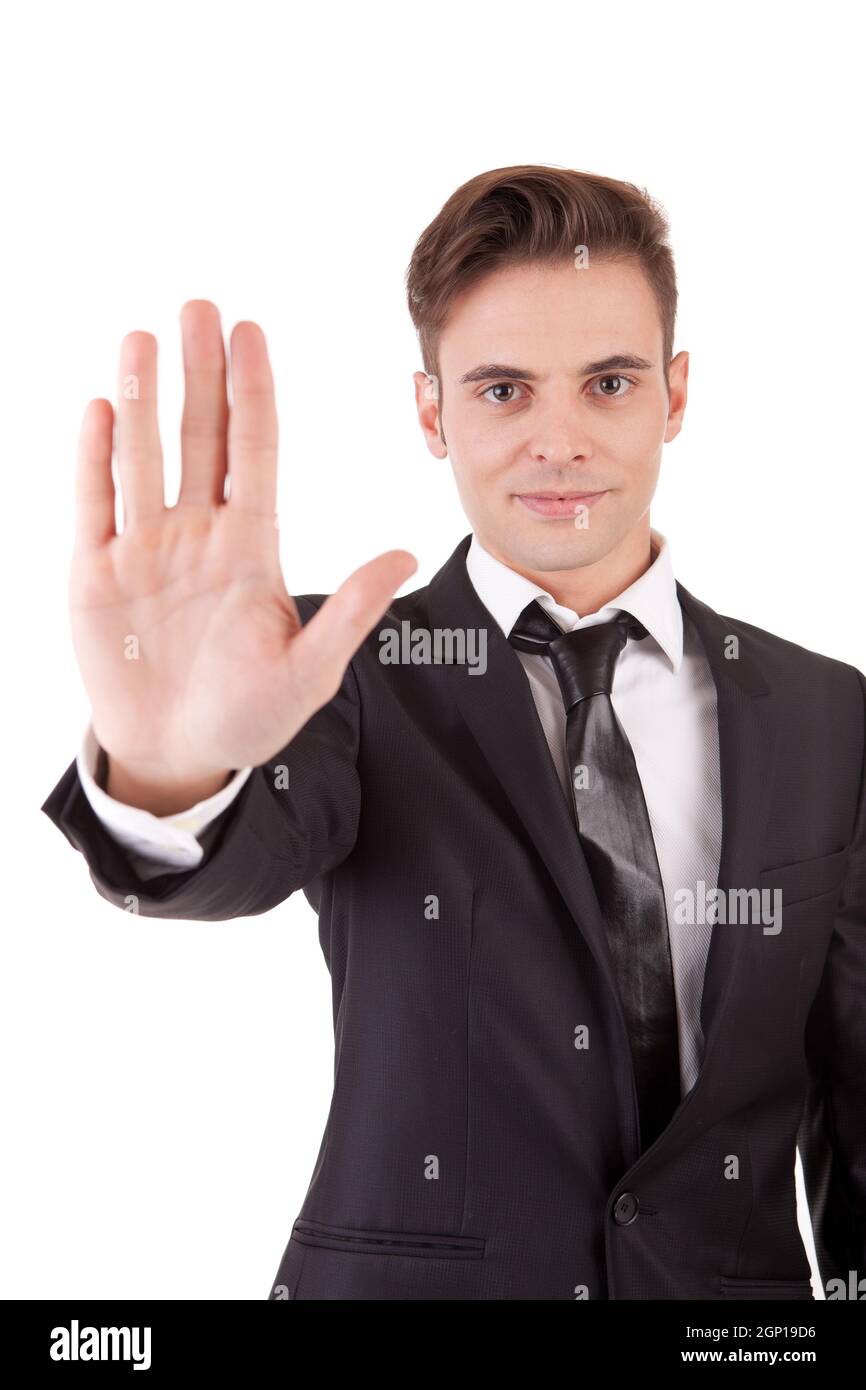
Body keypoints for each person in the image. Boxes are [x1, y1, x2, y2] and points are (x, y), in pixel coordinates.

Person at [42, 165, 866, 1301]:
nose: (559, 441)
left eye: (609, 382)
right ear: (429, 411)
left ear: (674, 395)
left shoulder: (829, 715)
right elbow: (229, 865)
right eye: (501, 391)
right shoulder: (337, 669)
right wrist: (170, 762)